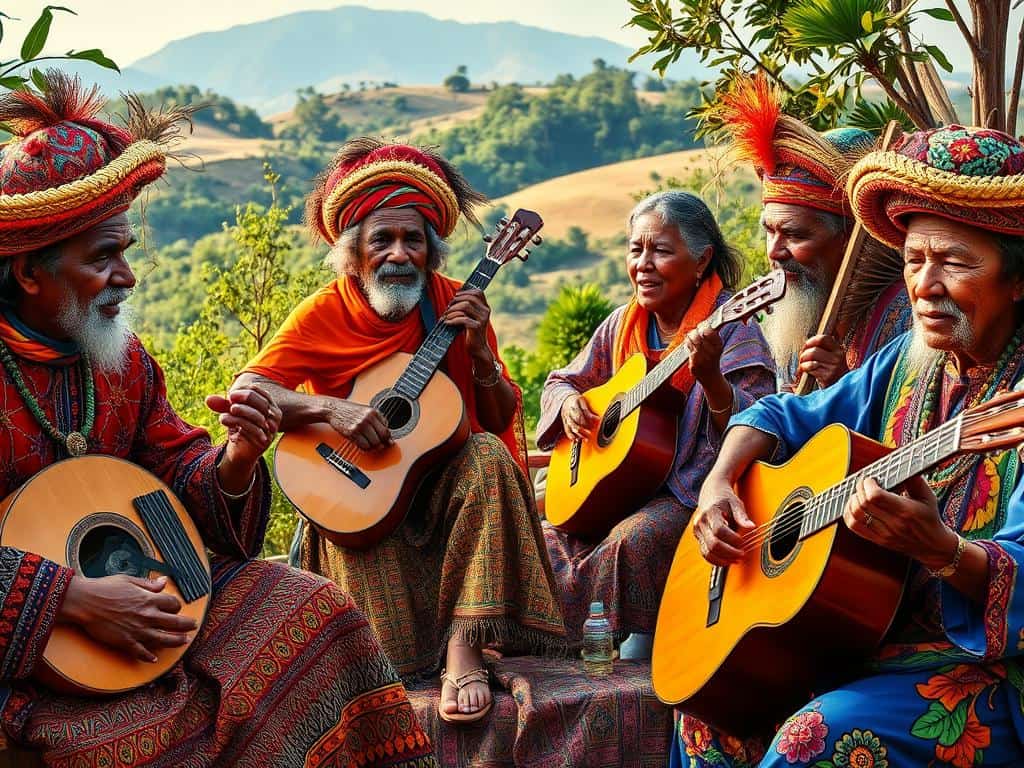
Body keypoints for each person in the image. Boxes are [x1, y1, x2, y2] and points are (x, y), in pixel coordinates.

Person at [0, 74, 435, 768]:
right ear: (28, 274)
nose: (127, 277)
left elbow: (175, 478)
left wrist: (236, 458)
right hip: (29, 659)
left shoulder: (122, 363)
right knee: (133, 747)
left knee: (318, 613)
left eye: (126, 253)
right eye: (102, 258)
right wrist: (70, 599)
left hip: (153, 602)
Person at [674, 124, 1024, 767]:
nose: (926, 284)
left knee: (819, 738)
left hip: (987, 671)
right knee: (710, 713)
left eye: (955, 261)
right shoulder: (908, 359)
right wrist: (720, 482)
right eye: (915, 260)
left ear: (1018, 280)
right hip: (859, 638)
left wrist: (942, 551)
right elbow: (785, 412)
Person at [236, 138, 565, 724]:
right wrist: (331, 412)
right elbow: (248, 391)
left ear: (432, 250)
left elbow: (497, 417)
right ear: (354, 251)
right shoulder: (324, 313)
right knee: (383, 653)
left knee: (488, 452)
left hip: (445, 499)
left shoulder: (455, 304)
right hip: (360, 499)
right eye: (381, 239)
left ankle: (464, 649)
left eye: (413, 239)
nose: (398, 254)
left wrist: (481, 358)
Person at [536, 191, 775, 654]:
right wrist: (568, 402)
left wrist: (711, 380)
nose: (643, 263)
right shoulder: (621, 325)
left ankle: (575, 648)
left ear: (702, 260)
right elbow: (560, 381)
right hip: (612, 491)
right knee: (544, 539)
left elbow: (760, 423)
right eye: (635, 249)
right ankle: (538, 646)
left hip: (688, 494)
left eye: (661, 251)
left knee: (633, 540)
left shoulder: (734, 330)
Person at [719, 73, 912, 391]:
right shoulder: (795, 310)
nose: (774, 251)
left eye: (794, 235)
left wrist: (840, 386)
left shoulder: (909, 320)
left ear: (853, 238)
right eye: (770, 231)